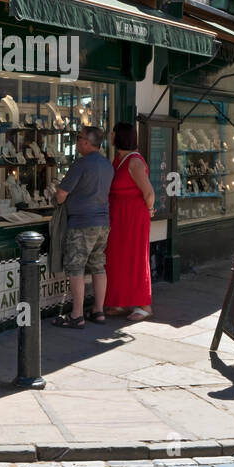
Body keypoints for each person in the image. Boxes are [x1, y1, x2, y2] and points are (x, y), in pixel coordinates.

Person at [52, 125, 114, 327]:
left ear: (87, 142)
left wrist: (56, 198)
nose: (77, 141)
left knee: (76, 267)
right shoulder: (107, 164)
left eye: (79, 138)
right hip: (103, 222)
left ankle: (77, 314)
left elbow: (62, 194)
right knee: (98, 265)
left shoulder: (82, 164)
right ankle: (98, 311)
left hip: (81, 223)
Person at [104, 122, 155, 320]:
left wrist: (149, 210)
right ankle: (121, 301)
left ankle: (144, 305)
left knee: (134, 258)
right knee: (117, 258)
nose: (111, 135)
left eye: (113, 133)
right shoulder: (118, 159)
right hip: (118, 215)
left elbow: (149, 192)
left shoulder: (134, 162)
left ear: (120, 136)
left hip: (133, 216)